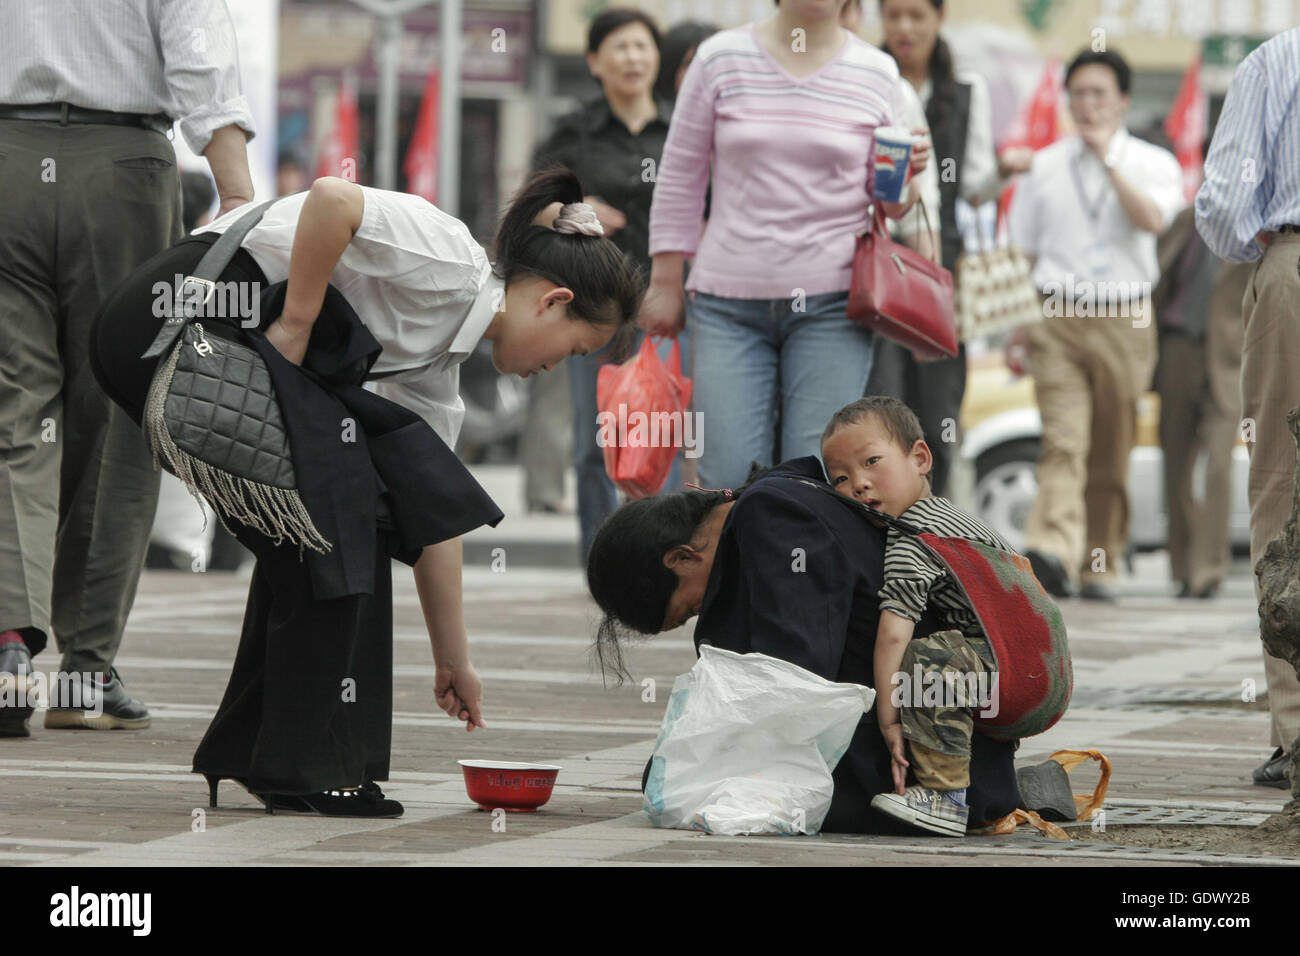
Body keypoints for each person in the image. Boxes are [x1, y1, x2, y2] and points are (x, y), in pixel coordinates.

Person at [90, 168, 644, 815]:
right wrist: (296, 323)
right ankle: (300, 764)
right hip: (182, 316)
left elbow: (431, 517)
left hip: (222, 346)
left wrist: (453, 660)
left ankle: (266, 755)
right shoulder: (447, 257)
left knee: (351, 514)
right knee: (337, 516)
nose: (557, 367)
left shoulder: (434, 371)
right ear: (553, 301)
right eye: (576, 349)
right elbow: (333, 199)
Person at [0, 0, 256, 738]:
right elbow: (203, 61)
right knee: (118, 413)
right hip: (125, 170)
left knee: (15, 410)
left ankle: (8, 646)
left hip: (8, 162)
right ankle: (84, 671)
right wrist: (236, 196)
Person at [585, 458, 1019, 833]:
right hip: (931, 744)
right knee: (675, 775)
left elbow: (796, 677)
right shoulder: (771, 507)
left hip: (934, 768)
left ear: (681, 557)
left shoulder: (773, 516)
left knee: (680, 781)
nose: (702, 614)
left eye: (689, 608)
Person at [640, 0, 940, 492]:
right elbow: (679, 177)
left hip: (834, 306)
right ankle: (743, 571)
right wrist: (665, 281)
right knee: (728, 479)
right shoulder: (719, 59)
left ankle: (797, 571)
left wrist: (906, 179)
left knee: (817, 479)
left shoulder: (878, 72)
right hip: (726, 304)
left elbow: (890, 206)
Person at [1006, 48, 1184, 602]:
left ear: (1123, 101)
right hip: (1055, 315)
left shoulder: (1153, 162)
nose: (1087, 104)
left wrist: (1108, 161)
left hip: (1125, 317)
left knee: (1112, 446)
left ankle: (1098, 562)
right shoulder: (1044, 165)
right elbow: (1024, 252)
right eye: (1078, 93)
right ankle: (1051, 549)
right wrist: (1016, 328)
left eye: (1099, 94)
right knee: (1063, 440)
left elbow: (1152, 220)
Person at [528, 7, 685, 557]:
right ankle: (601, 556)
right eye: (619, 47)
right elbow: (531, 209)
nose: (633, 58)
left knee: (660, 430)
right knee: (597, 438)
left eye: (642, 46)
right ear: (595, 62)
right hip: (593, 306)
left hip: (667, 305)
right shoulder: (573, 132)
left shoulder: (682, 126)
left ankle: (657, 551)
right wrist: (573, 209)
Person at [821, 396, 1017, 836]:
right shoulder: (951, 515)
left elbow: (893, 633)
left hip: (1011, 666)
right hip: (1033, 662)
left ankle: (946, 798)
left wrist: (888, 719)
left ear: (921, 457)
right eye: (840, 478)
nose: (859, 484)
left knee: (930, 660)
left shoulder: (913, 537)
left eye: (872, 461)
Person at [860, 0, 1031, 496]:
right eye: (893, 16)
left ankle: (938, 534)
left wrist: (1003, 169)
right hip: (871, 268)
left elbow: (975, 186)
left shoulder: (966, 92)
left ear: (939, 18)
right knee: (880, 405)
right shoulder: (868, 80)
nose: (904, 27)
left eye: (916, 15)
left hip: (937, 272)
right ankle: (884, 532)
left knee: (937, 415)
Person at [1194, 27, 1300, 790]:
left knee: (1285, 496)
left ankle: (1297, 729)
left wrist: (1266, 242)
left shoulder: (1277, 59)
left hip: (1295, 271)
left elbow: (1227, 207)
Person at [1152, 197, 1249, 602]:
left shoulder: (1256, 225)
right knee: (1175, 462)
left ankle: (1208, 570)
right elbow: (1157, 278)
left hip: (1228, 357)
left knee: (1219, 464)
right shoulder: (1184, 221)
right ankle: (1182, 567)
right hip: (1177, 349)